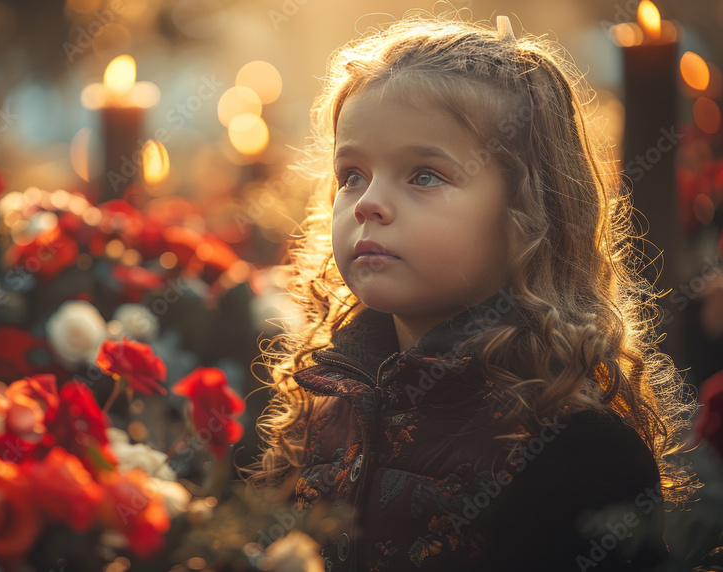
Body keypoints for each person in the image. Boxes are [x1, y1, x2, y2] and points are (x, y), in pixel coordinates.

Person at [238, 11, 699, 572]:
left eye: (424, 175)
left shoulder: (574, 446)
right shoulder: (326, 398)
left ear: (525, 211)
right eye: (352, 174)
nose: (367, 203)